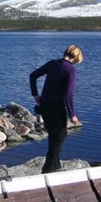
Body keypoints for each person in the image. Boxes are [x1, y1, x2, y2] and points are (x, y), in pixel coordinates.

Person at [29, 44, 84, 174]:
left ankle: (55, 163)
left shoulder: (53, 63)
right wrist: (72, 114)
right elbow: (68, 94)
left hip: (44, 105)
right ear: (75, 57)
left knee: (55, 135)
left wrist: (35, 94)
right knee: (58, 136)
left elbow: (33, 75)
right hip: (56, 107)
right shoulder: (70, 69)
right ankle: (50, 168)